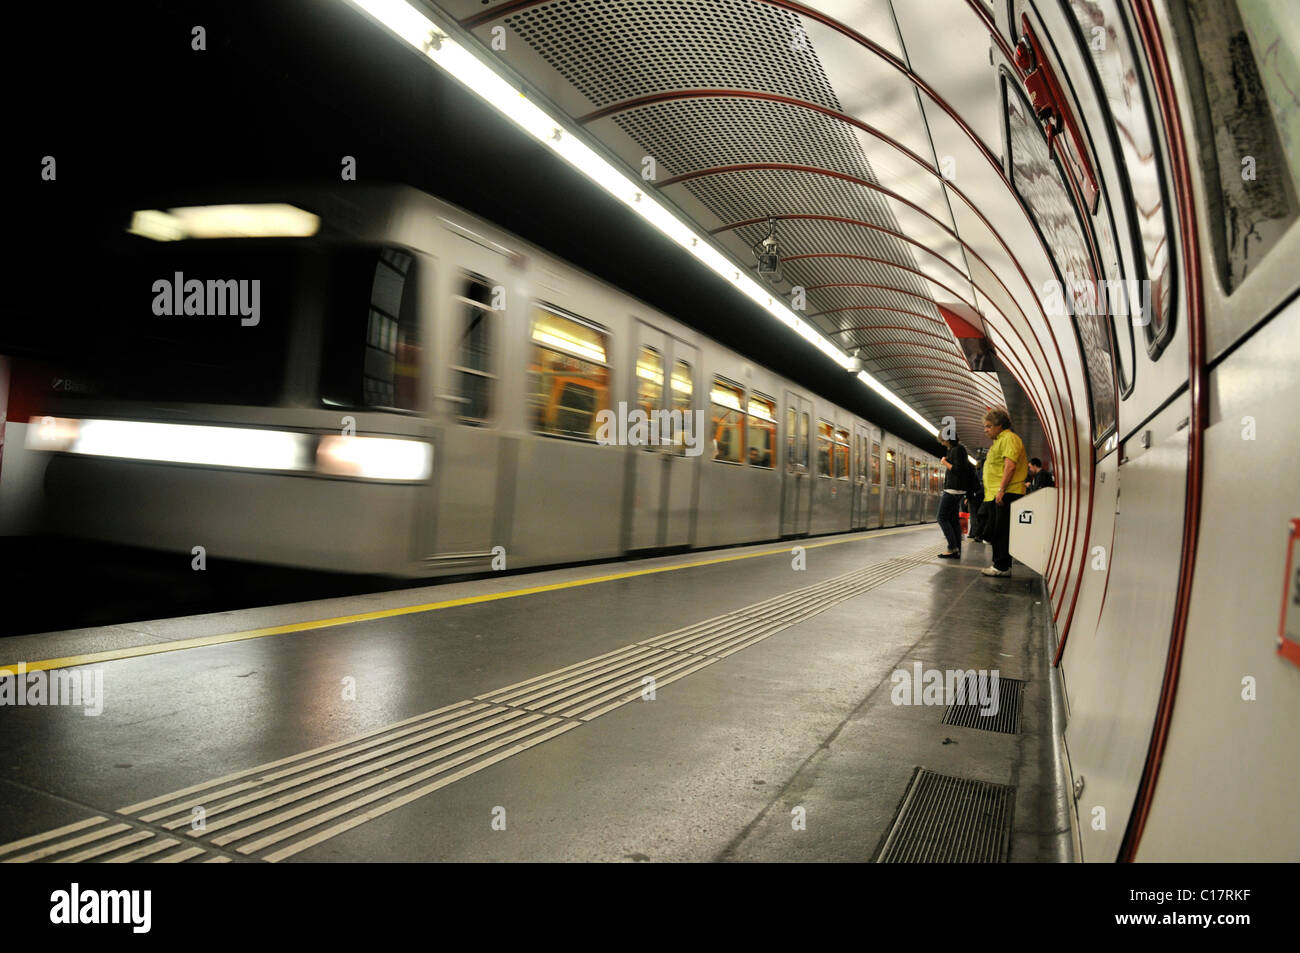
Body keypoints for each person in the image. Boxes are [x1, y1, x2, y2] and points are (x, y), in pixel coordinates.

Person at [980, 408, 1028, 577]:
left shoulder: (1009, 439)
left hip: (1007, 492)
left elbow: (1010, 466)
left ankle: (1001, 567)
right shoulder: (999, 441)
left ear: (999, 425)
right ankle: (1000, 564)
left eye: (988, 426)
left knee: (1000, 530)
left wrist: (1001, 490)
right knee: (995, 529)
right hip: (997, 493)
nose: (985, 430)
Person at [936, 435, 971, 559]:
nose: (942, 443)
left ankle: (952, 547)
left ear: (948, 439)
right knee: (953, 519)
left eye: (942, 440)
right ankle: (956, 550)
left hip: (953, 490)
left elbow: (957, 470)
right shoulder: (956, 449)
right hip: (956, 489)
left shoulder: (957, 449)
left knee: (941, 517)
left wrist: (945, 462)